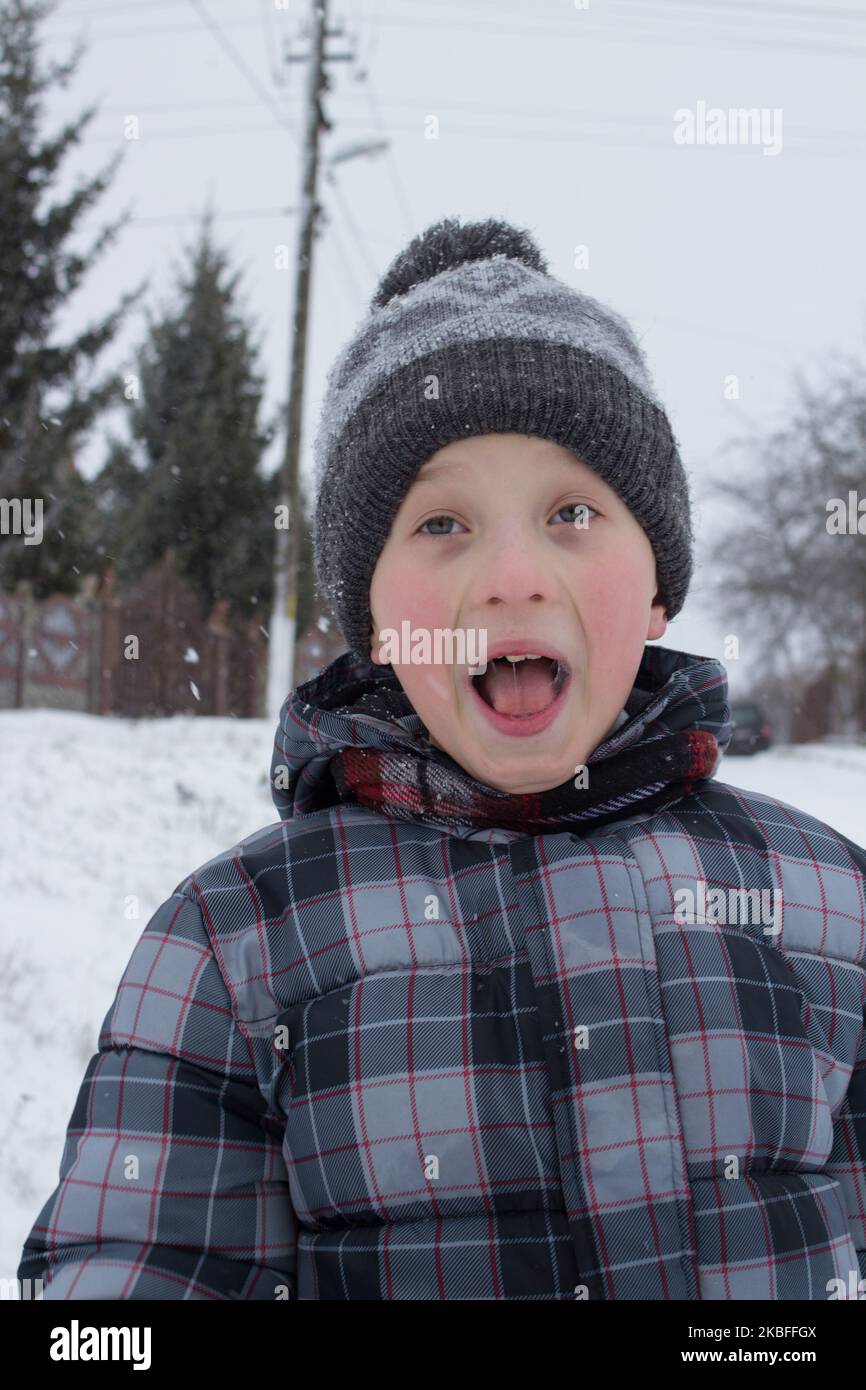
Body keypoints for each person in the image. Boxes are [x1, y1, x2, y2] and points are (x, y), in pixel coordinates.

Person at [18, 216, 866, 1300]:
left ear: (658, 586)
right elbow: (134, 1270)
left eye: (571, 511)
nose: (512, 574)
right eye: (440, 524)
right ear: (371, 622)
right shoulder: (238, 938)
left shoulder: (828, 900)